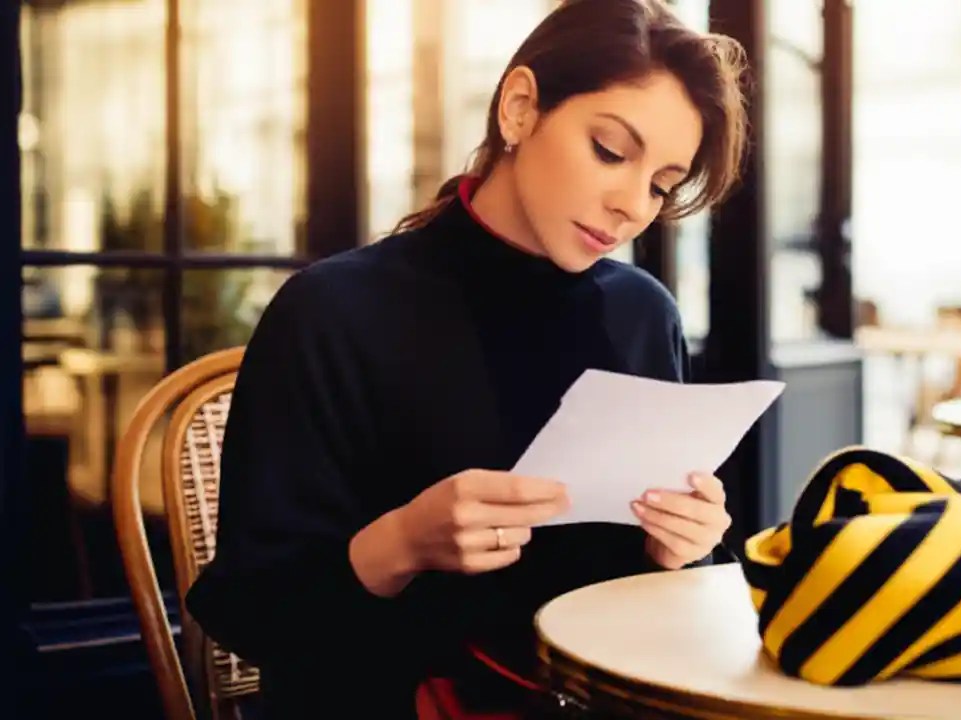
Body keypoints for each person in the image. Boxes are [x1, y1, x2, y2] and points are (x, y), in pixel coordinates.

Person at [184, 0, 750, 717]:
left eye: (661, 185)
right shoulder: (333, 311)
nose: (633, 204)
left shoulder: (642, 314)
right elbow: (250, 612)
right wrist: (401, 544)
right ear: (519, 109)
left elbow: (659, 617)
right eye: (610, 151)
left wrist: (687, 550)